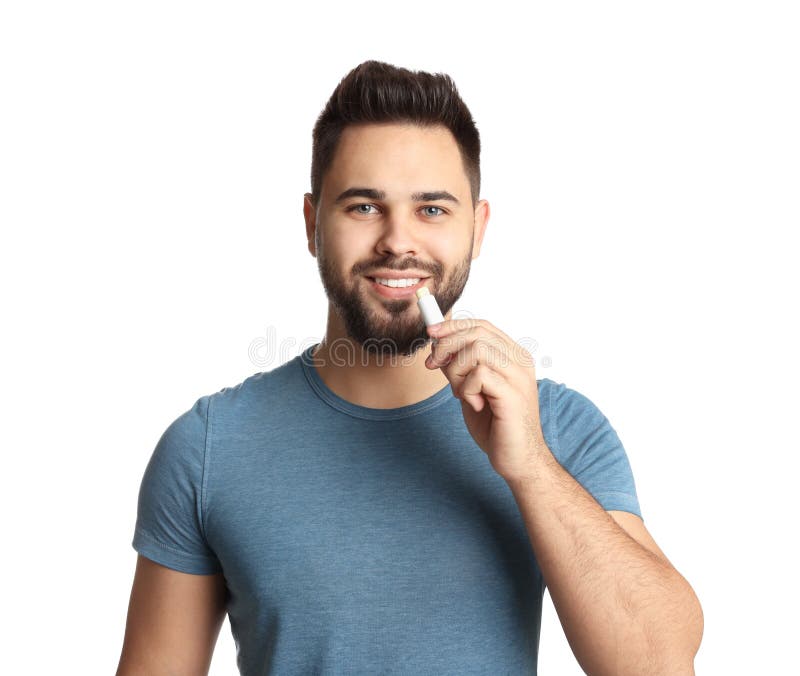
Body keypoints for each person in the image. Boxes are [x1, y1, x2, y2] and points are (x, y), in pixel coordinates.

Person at [116, 60, 703, 675]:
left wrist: (528, 463)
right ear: (313, 224)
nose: (399, 241)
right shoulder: (209, 447)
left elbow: (659, 661)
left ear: (476, 230)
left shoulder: (556, 426)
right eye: (365, 206)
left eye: (432, 210)